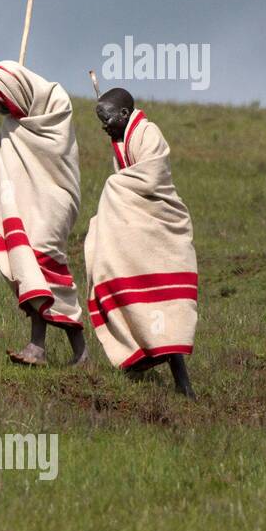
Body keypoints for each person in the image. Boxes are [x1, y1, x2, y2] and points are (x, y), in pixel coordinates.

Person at [0, 61, 88, 365]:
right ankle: (46, 349)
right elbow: (4, 166)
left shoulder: (55, 109)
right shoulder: (11, 125)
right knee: (31, 271)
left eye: (2, 100)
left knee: (44, 265)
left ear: (17, 91)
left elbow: (54, 160)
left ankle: (68, 350)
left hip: (54, 203)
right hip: (28, 207)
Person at [84, 88, 197, 396]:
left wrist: (116, 184)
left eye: (106, 118)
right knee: (114, 269)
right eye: (100, 120)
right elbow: (127, 191)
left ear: (124, 114)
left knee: (166, 303)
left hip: (161, 227)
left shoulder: (148, 133)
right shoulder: (119, 143)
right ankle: (136, 355)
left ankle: (182, 383)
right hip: (137, 229)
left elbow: (151, 176)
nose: (103, 125)